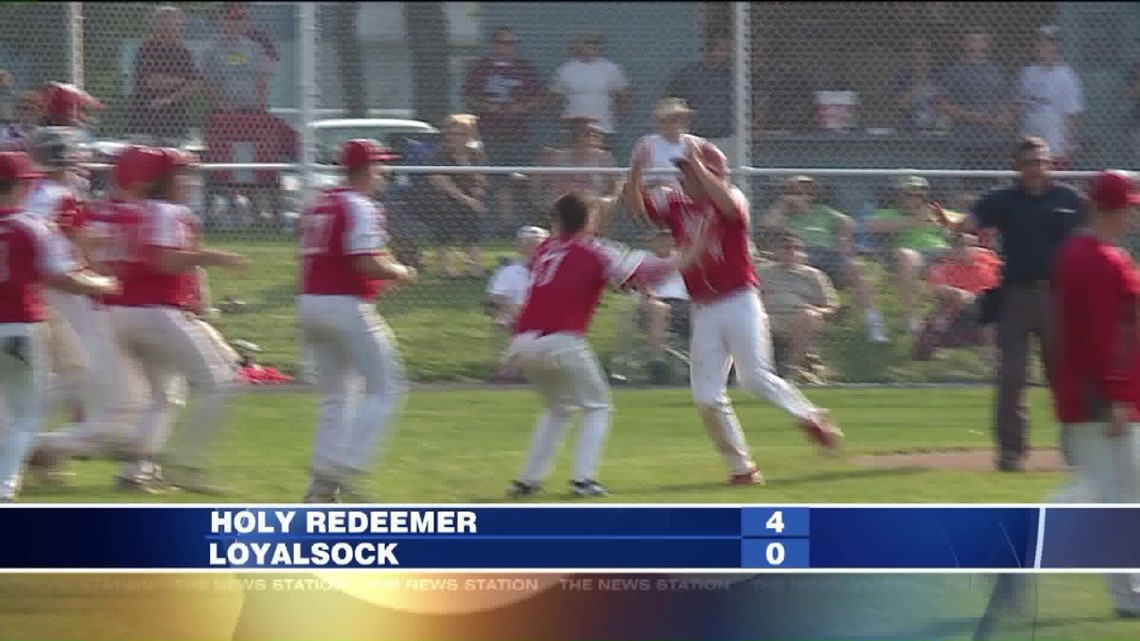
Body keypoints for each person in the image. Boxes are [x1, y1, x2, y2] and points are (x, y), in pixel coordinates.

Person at [625, 138, 842, 484]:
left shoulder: (733, 198)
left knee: (753, 378)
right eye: (682, 172)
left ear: (711, 174)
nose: (683, 179)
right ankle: (742, 469)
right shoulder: (677, 204)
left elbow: (726, 203)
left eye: (690, 172)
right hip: (704, 309)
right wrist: (636, 169)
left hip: (740, 300)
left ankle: (812, 416)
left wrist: (698, 164)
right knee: (706, 397)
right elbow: (636, 208)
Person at [504, 191, 703, 497]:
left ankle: (528, 480)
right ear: (590, 219)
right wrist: (685, 254)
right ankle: (583, 479)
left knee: (558, 408)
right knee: (597, 406)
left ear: (557, 220)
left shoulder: (545, 248)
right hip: (561, 339)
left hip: (523, 341)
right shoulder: (594, 251)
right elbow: (643, 275)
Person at [936, 136, 1085, 472]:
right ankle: (1011, 452)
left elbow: (1093, 233)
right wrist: (951, 221)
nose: (1039, 168)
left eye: (1044, 161)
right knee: (1011, 377)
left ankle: (1077, 450)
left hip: (1057, 298)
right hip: (1015, 297)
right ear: (1018, 166)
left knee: (1064, 377)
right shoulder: (1003, 199)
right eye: (1032, 162)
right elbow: (969, 222)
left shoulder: (1069, 199)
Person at [107, 147, 247, 493]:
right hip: (156, 312)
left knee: (166, 395)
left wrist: (199, 298)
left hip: (126, 312)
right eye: (185, 174)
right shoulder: (168, 211)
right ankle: (186, 465)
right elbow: (163, 261)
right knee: (221, 380)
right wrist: (213, 256)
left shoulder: (137, 210)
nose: (190, 181)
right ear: (167, 179)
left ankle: (134, 470)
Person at [297, 139, 418, 503]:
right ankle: (347, 468)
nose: (382, 173)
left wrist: (378, 280)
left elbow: (336, 259)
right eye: (379, 166)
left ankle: (321, 488)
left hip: (310, 302)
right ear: (365, 170)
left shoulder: (321, 203)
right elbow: (364, 260)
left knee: (336, 398)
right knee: (386, 388)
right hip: (344, 305)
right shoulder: (360, 204)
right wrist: (400, 272)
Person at [0, 150, 119, 501]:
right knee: (26, 412)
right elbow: (61, 277)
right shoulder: (32, 225)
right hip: (22, 324)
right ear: (21, 186)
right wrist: (104, 284)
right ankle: (4, 486)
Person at [1050, 169, 1140, 618]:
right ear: (1115, 207)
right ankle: (1128, 597)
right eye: (1129, 207)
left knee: (1104, 491)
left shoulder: (1086, 252)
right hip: (1102, 402)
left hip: (1096, 396)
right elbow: (1105, 337)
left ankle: (1014, 544)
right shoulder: (1099, 258)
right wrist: (1113, 398)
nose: (1133, 216)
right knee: (1116, 498)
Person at [761, 175, 883, 343]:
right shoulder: (783, 214)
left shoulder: (822, 211)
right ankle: (810, 314)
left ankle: (872, 319)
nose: (804, 196)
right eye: (797, 192)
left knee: (856, 268)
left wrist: (843, 238)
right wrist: (784, 203)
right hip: (799, 253)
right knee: (798, 261)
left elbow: (849, 223)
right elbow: (768, 225)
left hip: (828, 253)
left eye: (807, 192)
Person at [462, 26, 543, 232]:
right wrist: (489, 107)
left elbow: (540, 97)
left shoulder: (525, 68)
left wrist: (522, 107)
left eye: (512, 43)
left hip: (520, 132)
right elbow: (469, 98)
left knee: (523, 178)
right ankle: (505, 226)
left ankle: (531, 222)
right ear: (494, 45)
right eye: (504, 43)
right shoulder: (481, 68)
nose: (509, 47)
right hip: (491, 132)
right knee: (498, 178)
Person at [865, 175, 953, 336]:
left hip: (943, 253)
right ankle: (910, 318)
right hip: (913, 256)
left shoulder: (935, 211)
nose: (914, 199)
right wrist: (913, 221)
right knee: (907, 256)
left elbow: (960, 226)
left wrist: (951, 229)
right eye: (909, 194)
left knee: (977, 253)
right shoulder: (889, 213)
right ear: (899, 195)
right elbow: (872, 226)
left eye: (919, 195)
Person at [757, 231, 839, 384]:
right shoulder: (762, 272)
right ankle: (752, 372)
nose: (792, 252)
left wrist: (816, 311)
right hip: (769, 316)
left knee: (809, 316)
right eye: (786, 248)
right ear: (776, 251)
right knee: (751, 319)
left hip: (800, 318)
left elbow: (832, 307)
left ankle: (792, 370)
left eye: (797, 248)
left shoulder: (814, 275)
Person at [912, 231, 1002, 362]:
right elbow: (937, 289)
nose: (966, 250)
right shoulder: (943, 267)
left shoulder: (988, 261)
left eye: (970, 246)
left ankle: (993, 354)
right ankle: (991, 353)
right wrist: (960, 293)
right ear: (953, 249)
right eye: (960, 246)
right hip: (962, 310)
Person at [128, 5, 203, 146]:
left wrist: (168, 99)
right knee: (146, 163)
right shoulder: (146, 49)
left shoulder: (183, 52)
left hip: (174, 121)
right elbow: (152, 81)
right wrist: (184, 81)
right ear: (157, 25)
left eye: (176, 24)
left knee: (173, 163)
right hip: (145, 120)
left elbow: (197, 85)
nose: (173, 28)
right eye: (167, 23)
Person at [426, 114, 487, 279]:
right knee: (447, 212)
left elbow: (481, 178)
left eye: (460, 134)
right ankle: (445, 267)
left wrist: (478, 194)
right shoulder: (440, 155)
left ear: (469, 136)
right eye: (452, 134)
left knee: (472, 219)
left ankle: (474, 267)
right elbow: (442, 183)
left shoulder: (475, 155)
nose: (455, 138)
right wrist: (468, 200)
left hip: (470, 198)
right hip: (444, 198)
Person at [486, 225, 549, 382]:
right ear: (520, 246)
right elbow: (495, 299)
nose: (533, 248)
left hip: (548, 316)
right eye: (528, 243)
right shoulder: (510, 271)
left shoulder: (554, 269)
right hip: (516, 316)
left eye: (538, 244)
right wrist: (510, 311)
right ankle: (513, 370)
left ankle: (510, 371)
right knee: (521, 321)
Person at [1017, 26, 1084, 170]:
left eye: (1048, 43)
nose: (1043, 47)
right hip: (1029, 145)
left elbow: (1072, 115)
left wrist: (1069, 146)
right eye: (1040, 43)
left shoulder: (1066, 76)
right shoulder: (1028, 73)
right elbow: (1020, 107)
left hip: (1055, 147)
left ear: (1057, 46)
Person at [550, 34, 631, 147]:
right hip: (573, 125)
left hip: (603, 125)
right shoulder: (566, 69)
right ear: (577, 46)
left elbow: (624, 96)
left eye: (595, 43)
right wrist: (560, 120)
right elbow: (555, 98)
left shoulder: (611, 68)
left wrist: (619, 117)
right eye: (587, 42)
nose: (591, 46)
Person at [664, 36, 736, 159]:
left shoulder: (734, 75)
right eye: (720, 50)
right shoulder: (689, 74)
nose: (724, 54)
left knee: (725, 174)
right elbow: (671, 101)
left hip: (726, 136)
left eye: (727, 51)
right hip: (695, 135)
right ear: (709, 51)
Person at [633, 98, 704, 190]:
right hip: (656, 192)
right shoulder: (647, 144)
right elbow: (637, 176)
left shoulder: (696, 143)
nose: (674, 124)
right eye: (668, 120)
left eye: (678, 120)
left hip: (690, 192)